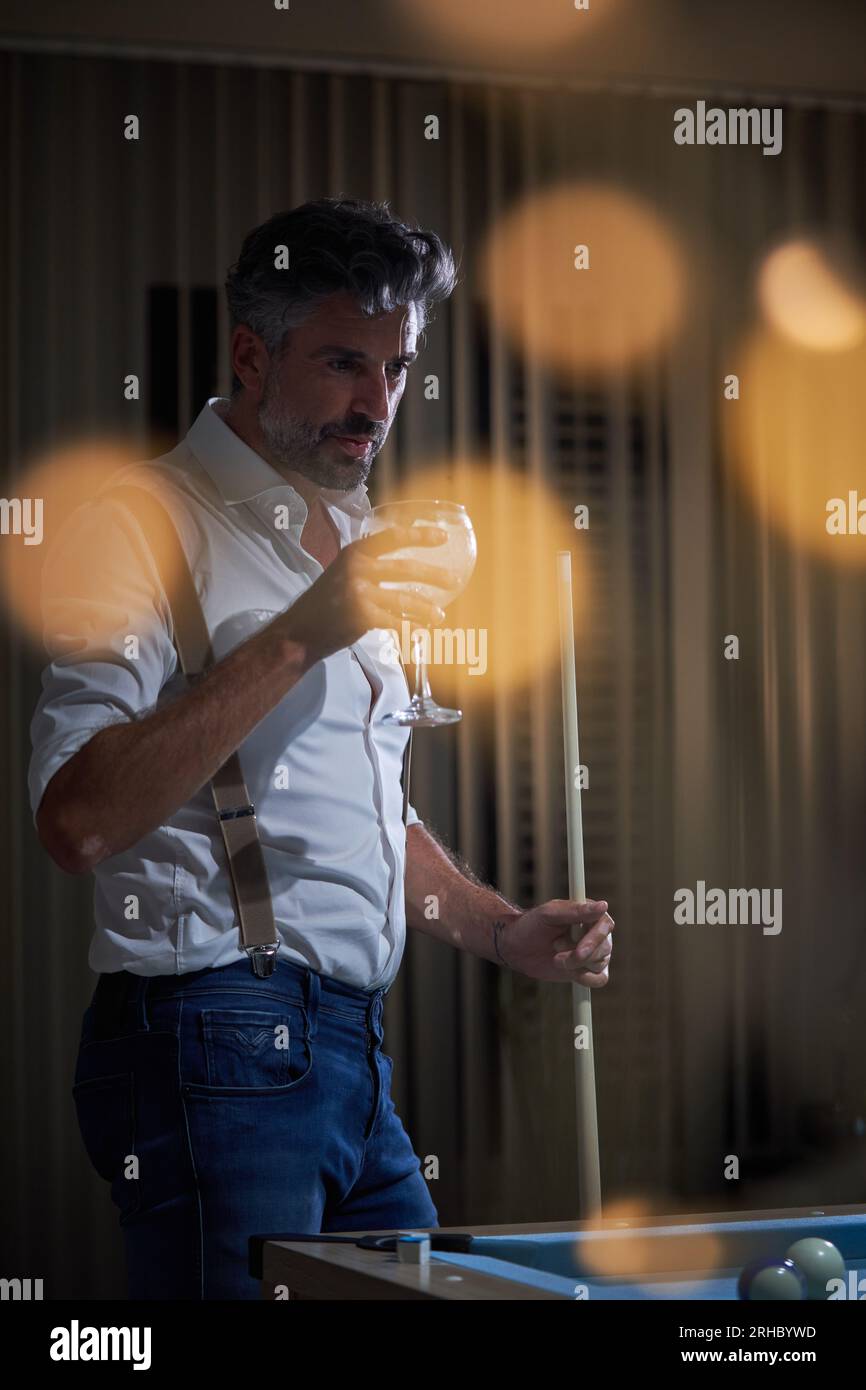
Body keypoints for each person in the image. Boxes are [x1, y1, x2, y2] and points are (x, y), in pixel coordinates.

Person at [29, 197, 614, 1300]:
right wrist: (304, 630)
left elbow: (360, 812)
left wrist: (502, 931)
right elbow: (78, 817)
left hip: (349, 1053)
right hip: (213, 1037)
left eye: (395, 369)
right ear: (251, 356)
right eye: (345, 363)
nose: (376, 404)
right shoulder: (141, 521)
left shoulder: (353, 537)